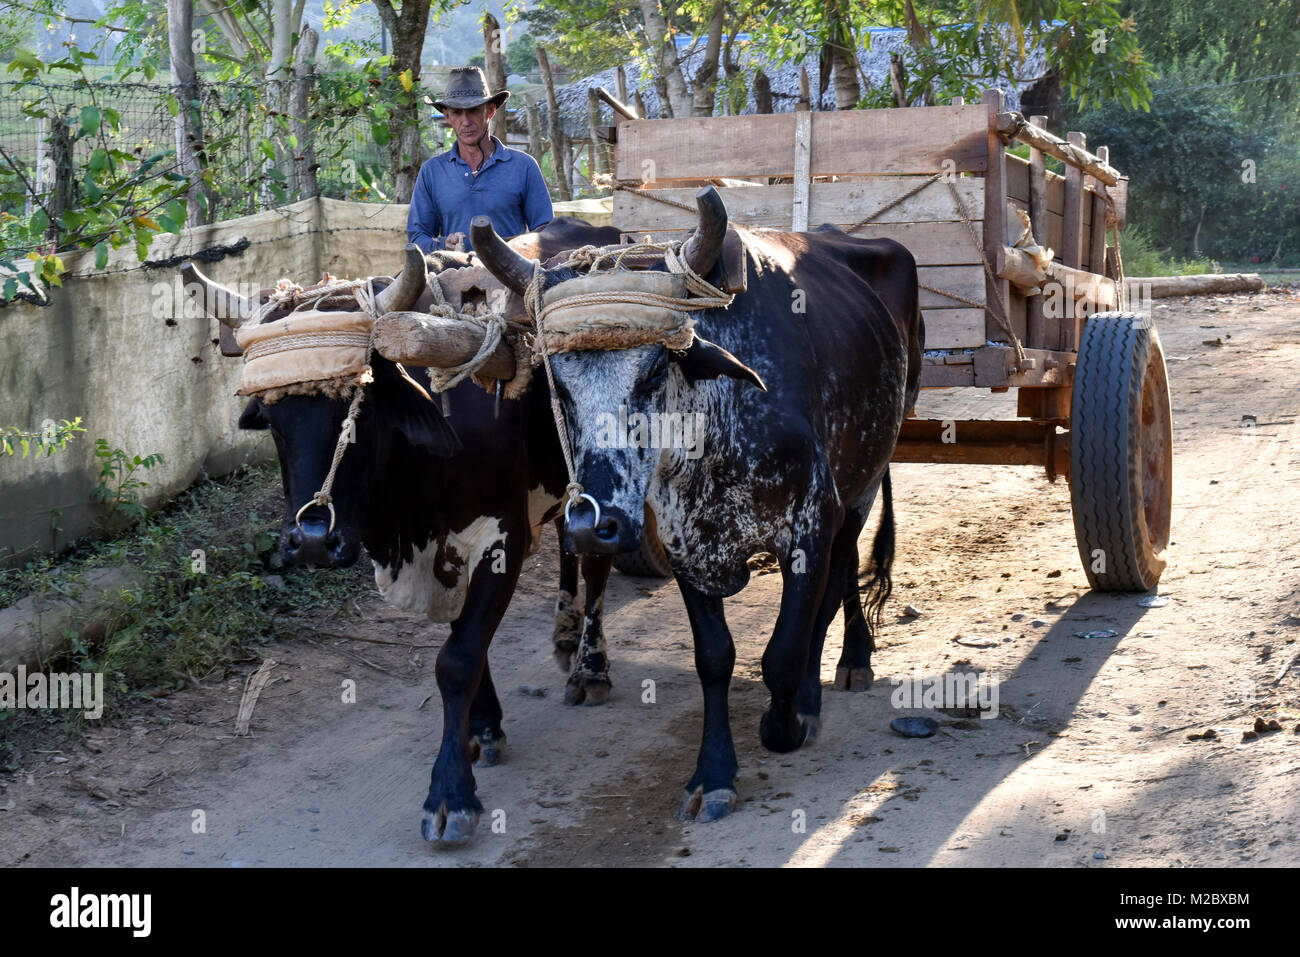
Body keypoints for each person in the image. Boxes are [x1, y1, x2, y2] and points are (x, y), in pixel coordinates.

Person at [406, 67, 553, 253]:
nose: (466, 121)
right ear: (447, 116)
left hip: (511, 278)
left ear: (490, 111)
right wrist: (443, 244)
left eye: (473, 110)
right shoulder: (432, 172)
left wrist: (517, 247)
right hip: (453, 277)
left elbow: (546, 233)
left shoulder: (524, 166)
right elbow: (417, 238)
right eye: (457, 112)